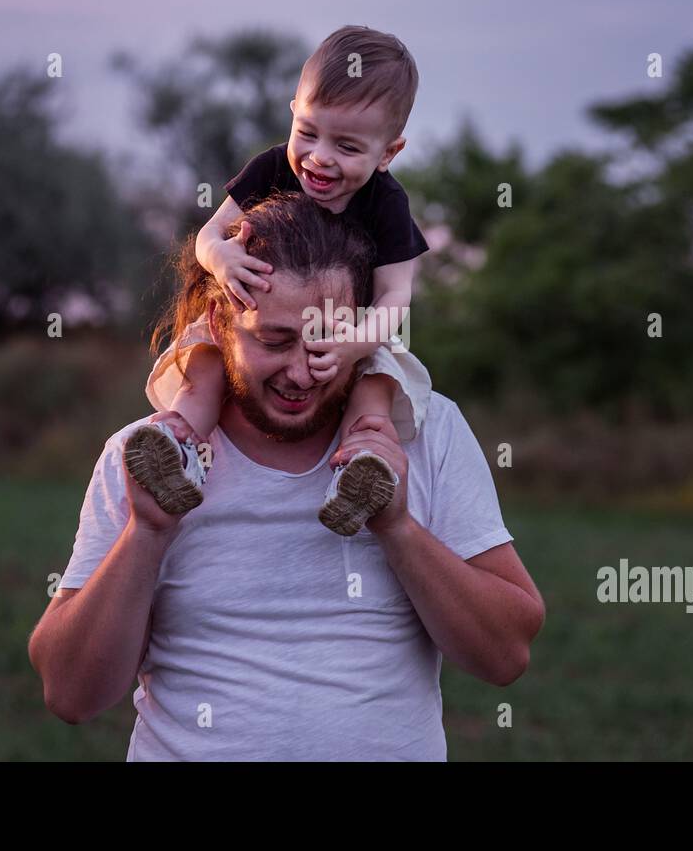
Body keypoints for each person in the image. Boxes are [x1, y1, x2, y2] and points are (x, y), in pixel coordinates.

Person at [28, 192, 544, 761]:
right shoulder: (146, 454)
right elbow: (71, 693)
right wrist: (145, 534)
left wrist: (397, 528)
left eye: (326, 344)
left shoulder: (425, 430)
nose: (301, 372)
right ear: (221, 321)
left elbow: (506, 655)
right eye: (273, 342)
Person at [125, 25, 430, 537]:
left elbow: (397, 294)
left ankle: (358, 472)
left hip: (352, 331)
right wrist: (221, 259)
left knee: (376, 386)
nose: (320, 158)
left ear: (387, 153)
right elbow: (209, 234)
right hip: (251, 313)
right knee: (204, 362)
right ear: (293, 112)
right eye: (308, 132)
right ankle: (178, 449)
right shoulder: (271, 167)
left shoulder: (387, 203)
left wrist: (357, 346)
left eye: (348, 146)